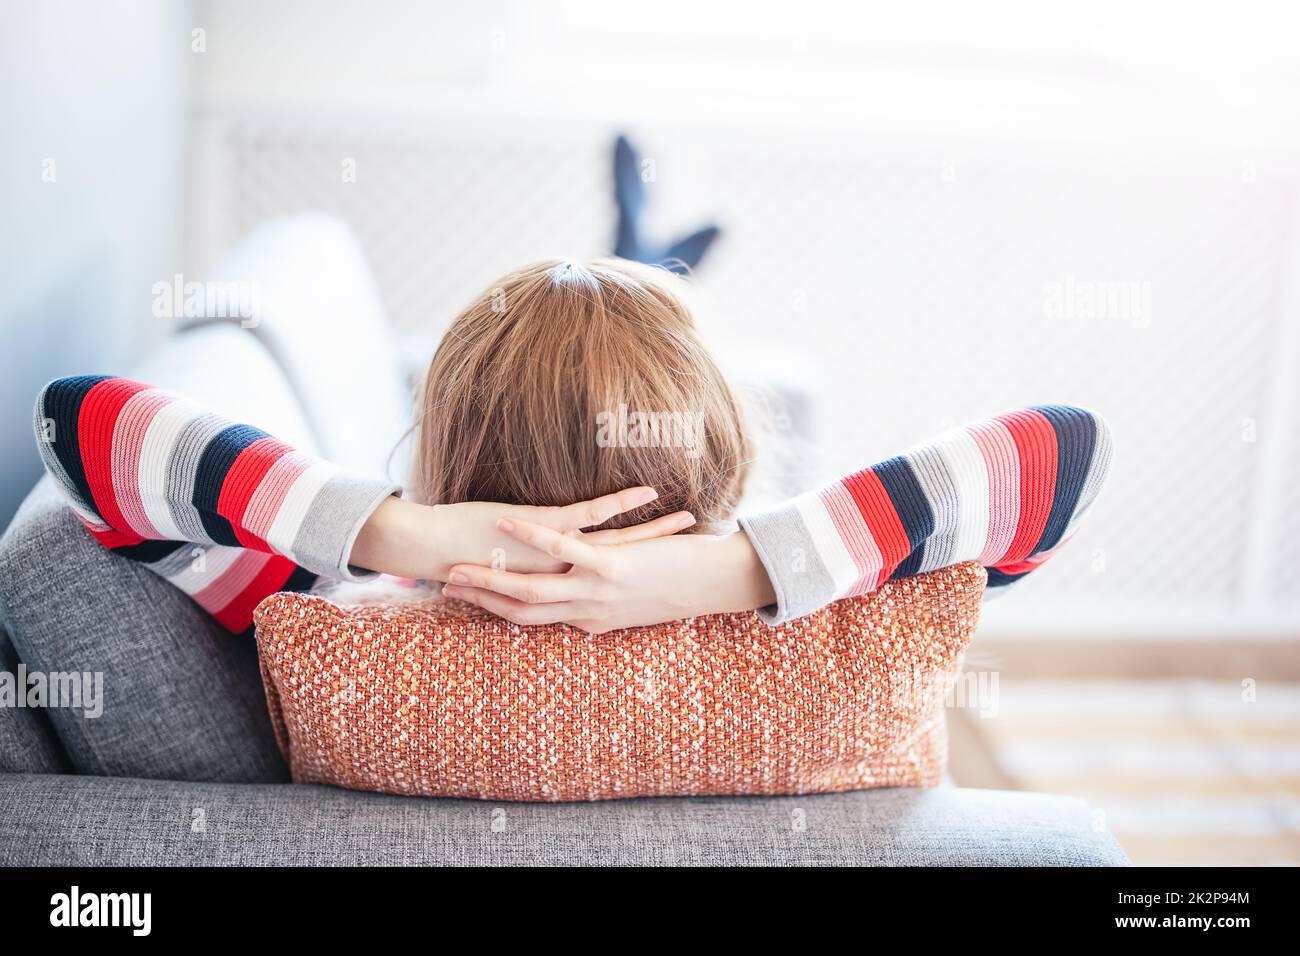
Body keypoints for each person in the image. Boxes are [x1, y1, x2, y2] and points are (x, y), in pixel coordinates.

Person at [34, 258, 1112, 636]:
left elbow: (77, 424)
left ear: (443, 453)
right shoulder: (834, 626)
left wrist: (393, 531)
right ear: (719, 457)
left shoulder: (315, 609)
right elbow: (1061, 455)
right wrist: (738, 570)